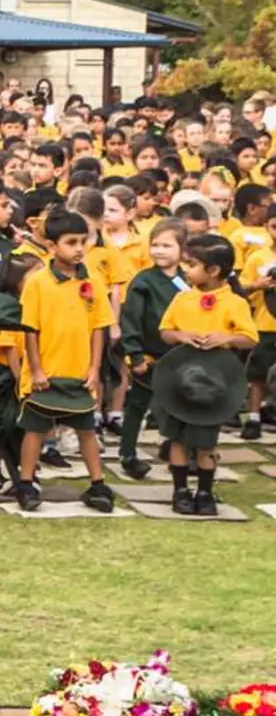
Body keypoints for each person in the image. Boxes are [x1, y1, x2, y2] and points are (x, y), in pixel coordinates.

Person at [16, 209, 117, 513]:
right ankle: (26, 482)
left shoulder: (95, 282)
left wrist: (94, 368)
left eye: (83, 241)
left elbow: (99, 327)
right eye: (70, 242)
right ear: (51, 246)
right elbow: (30, 329)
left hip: (79, 372)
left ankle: (97, 484)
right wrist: (35, 369)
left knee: (86, 430)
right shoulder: (38, 283)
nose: (78, 248)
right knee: (36, 429)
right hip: (46, 372)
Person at [156, 232, 258, 515]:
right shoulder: (182, 299)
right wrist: (181, 335)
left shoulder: (234, 302)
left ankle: (205, 491)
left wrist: (226, 338)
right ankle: (180, 491)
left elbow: (250, 338)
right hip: (179, 381)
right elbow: (165, 332)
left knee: (205, 443)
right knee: (176, 438)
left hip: (213, 384)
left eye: (191, 264)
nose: (185, 270)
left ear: (213, 270)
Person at [118, 218, 187, 481]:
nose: (159, 250)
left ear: (183, 249)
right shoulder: (143, 281)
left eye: (167, 245)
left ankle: (175, 447)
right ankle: (128, 455)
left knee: (180, 405)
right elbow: (132, 319)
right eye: (155, 245)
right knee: (138, 404)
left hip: (181, 356)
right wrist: (134, 354)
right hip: (149, 356)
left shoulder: (188, 279)